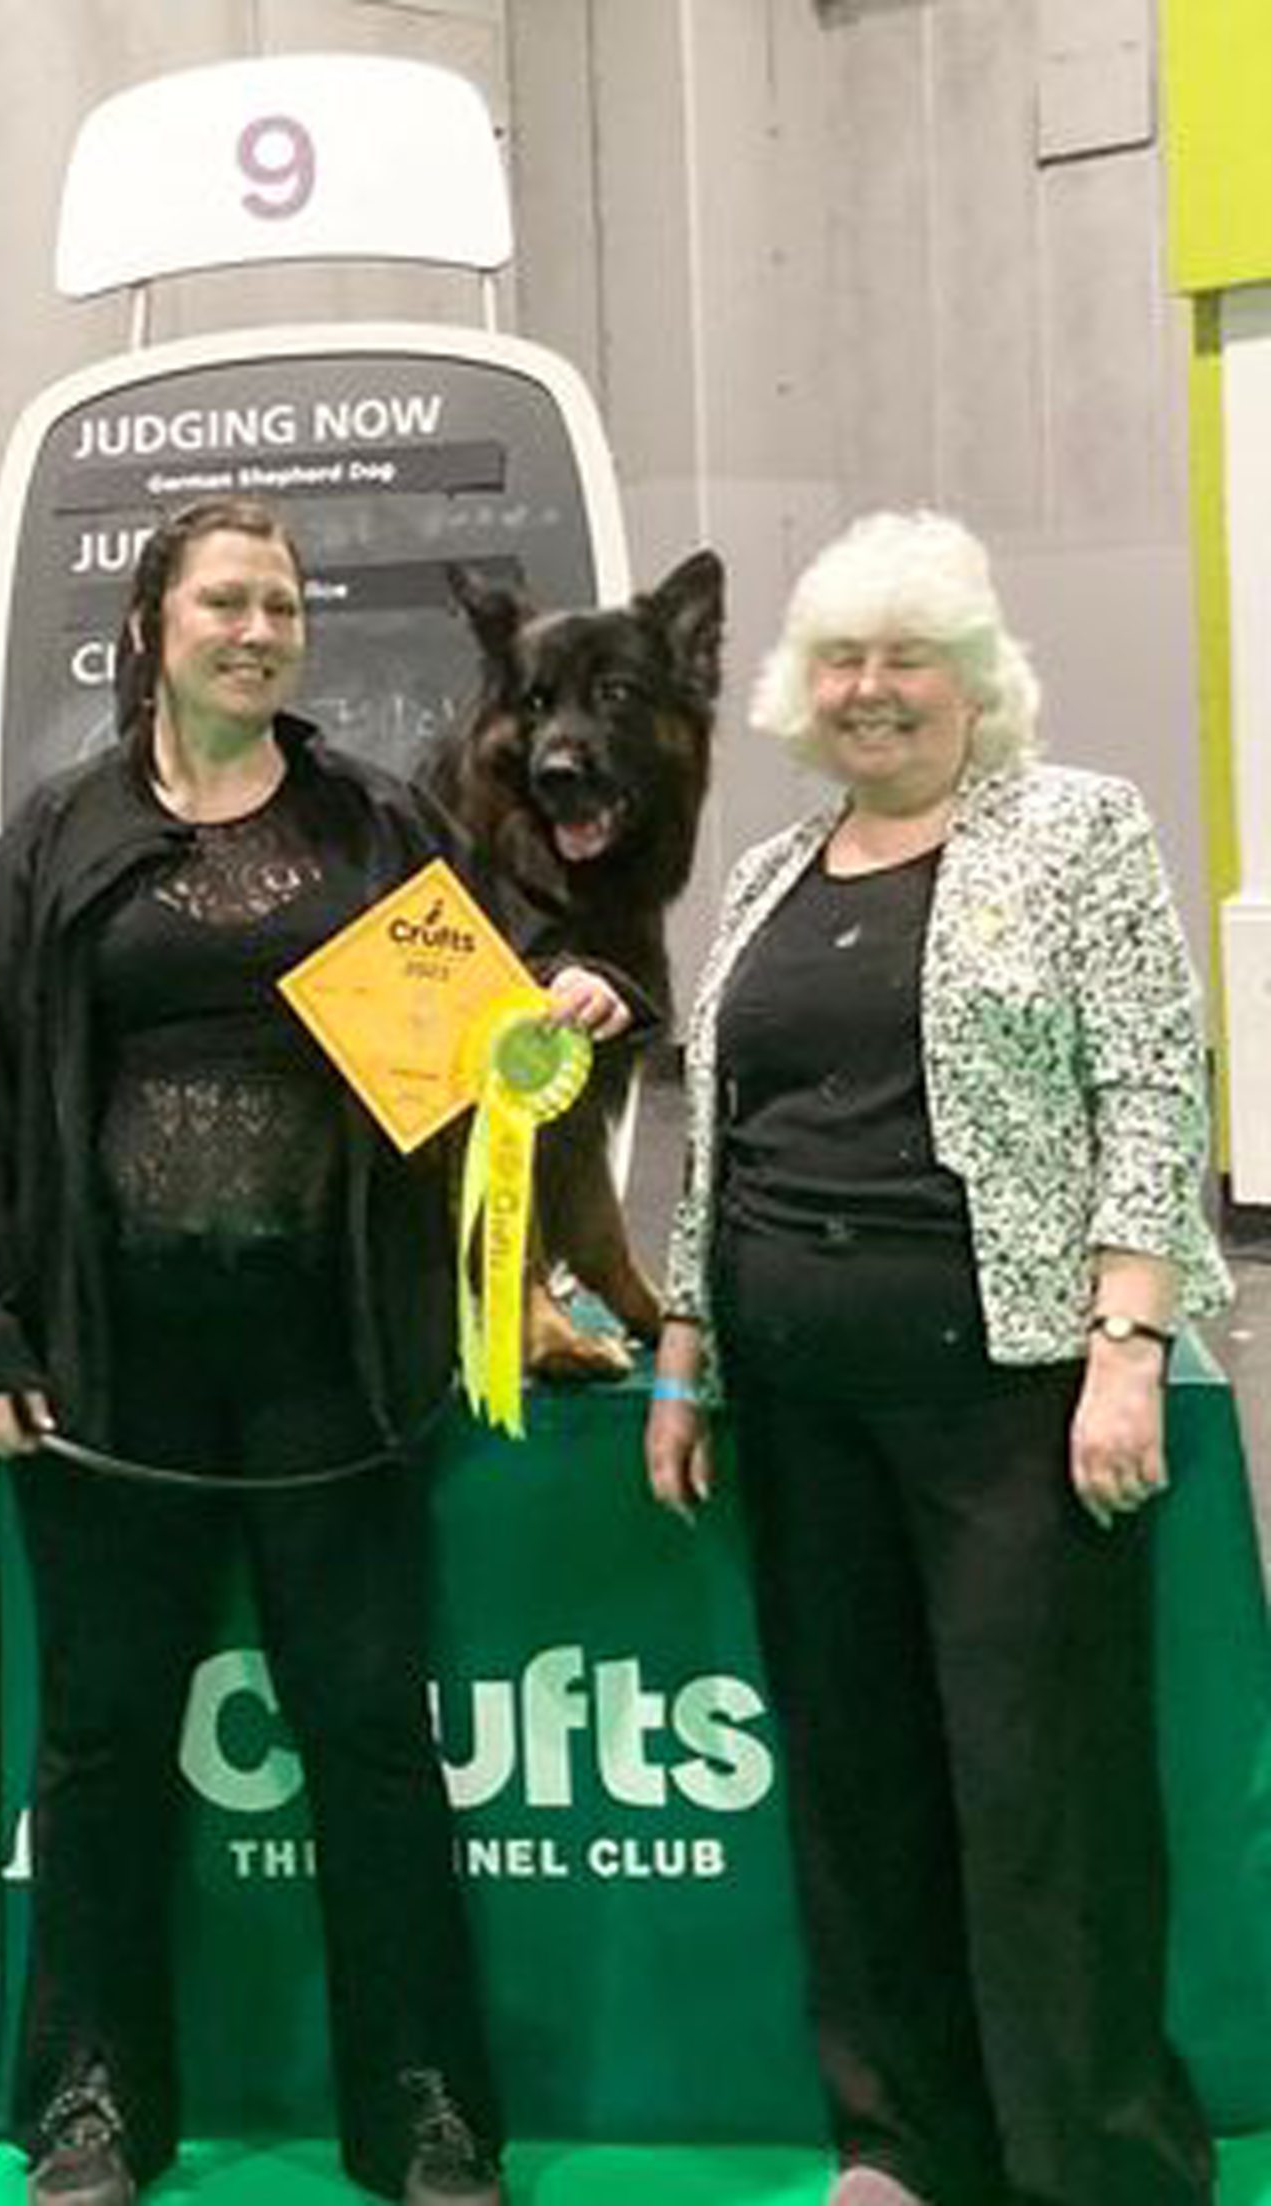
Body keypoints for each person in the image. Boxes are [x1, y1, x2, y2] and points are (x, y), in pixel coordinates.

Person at [0, 496, 633, 2206]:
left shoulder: (367, 823)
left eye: (283, 604)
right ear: (154, 625)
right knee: (98, 1739)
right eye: (226, 600)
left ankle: (426, 2111)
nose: (258, 628)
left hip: (336, 1367)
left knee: (374, 1734)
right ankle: (85, 2104)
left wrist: (573, 996)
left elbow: (488, 1022)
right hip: (110, 1372)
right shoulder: (54, 841)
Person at [645, 510, 1231, 2206]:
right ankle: (901, 2141)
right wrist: (686, 1345)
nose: (873, 689)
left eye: (908, 656)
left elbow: (1147, 1083)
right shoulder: (764, 874)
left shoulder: (1073, 833)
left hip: (1010, 1394)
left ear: (976, 680)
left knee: (1044, 1807)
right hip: (798, 1398)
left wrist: (1127, 1338)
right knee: (857, 1785)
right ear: (795, 691)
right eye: (841, 659)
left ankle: (1092, 2162)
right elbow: (720, 1136)